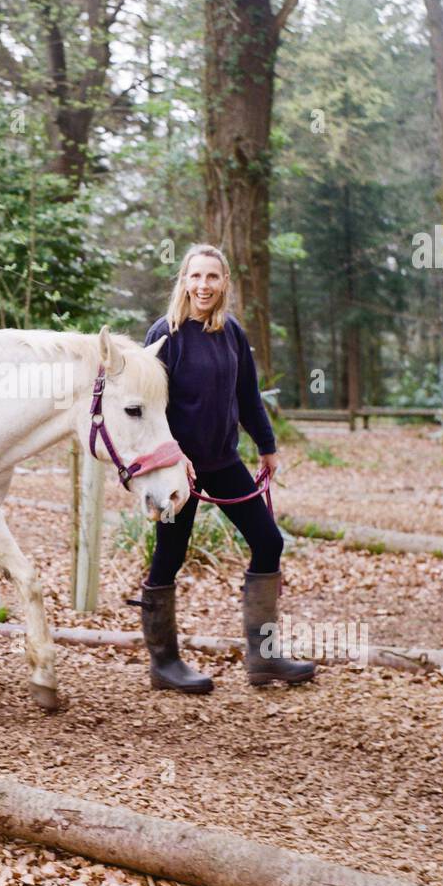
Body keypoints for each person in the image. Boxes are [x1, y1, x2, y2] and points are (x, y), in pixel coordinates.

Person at [135, 243, 316, 694]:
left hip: (223, 462)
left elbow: (249, 394)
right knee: (169, 556)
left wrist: (267, 445)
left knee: (269, 540)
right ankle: (164, 662)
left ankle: (265, 658)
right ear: (183, 280)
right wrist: (171, 460)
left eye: (212, 278)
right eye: (195, 277)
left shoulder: (231, 332)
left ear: (224, 283)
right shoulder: (165, 335)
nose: (203, 286)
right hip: (177, 472)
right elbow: (142, 410)